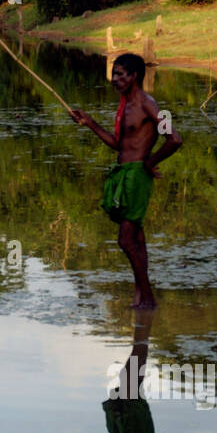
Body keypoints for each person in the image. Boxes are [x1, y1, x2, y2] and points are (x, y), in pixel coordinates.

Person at [71, 53, 182, 309]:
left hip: (136, 177)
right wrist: (89, 122)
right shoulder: (125, 106)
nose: (115, 79)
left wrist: (149, 163)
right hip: (124, 173)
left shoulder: (148, 105)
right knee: (137, 238)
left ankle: (149, 299)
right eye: (114, 74)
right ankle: (140, 296)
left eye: (121, 74)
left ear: (135, 76)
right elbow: (118, 145)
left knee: (126, 240)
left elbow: (174, 139)